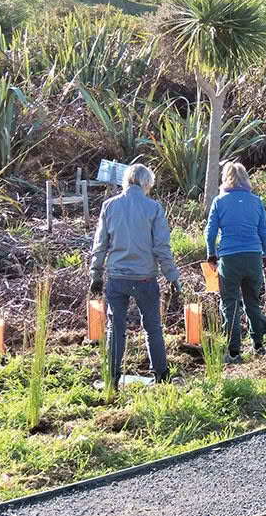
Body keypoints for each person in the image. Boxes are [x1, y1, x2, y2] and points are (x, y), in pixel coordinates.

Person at [89, 163, 180, 390]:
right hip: (145, 278)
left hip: (117, 278)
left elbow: (100, 245)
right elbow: (162, 247)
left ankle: (112, 377)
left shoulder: (109, 206)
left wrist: (96, 275)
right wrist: (172, 276)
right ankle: (161, 375)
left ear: (127, 181)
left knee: (115, 328)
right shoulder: (154, 208)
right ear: (147, 183)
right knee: (153, 328)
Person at [205, 162, 266, 363]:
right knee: (253, 301)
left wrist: (211, 254)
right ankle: (258, 344)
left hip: (230, 259)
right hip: (253, 256)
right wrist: (265, 254)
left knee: (230, 304)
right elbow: (264, 232)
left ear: (225, 178)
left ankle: (234, 351)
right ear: (245, 178)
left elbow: (210, 232)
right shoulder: (256, 201)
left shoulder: (219, 201)